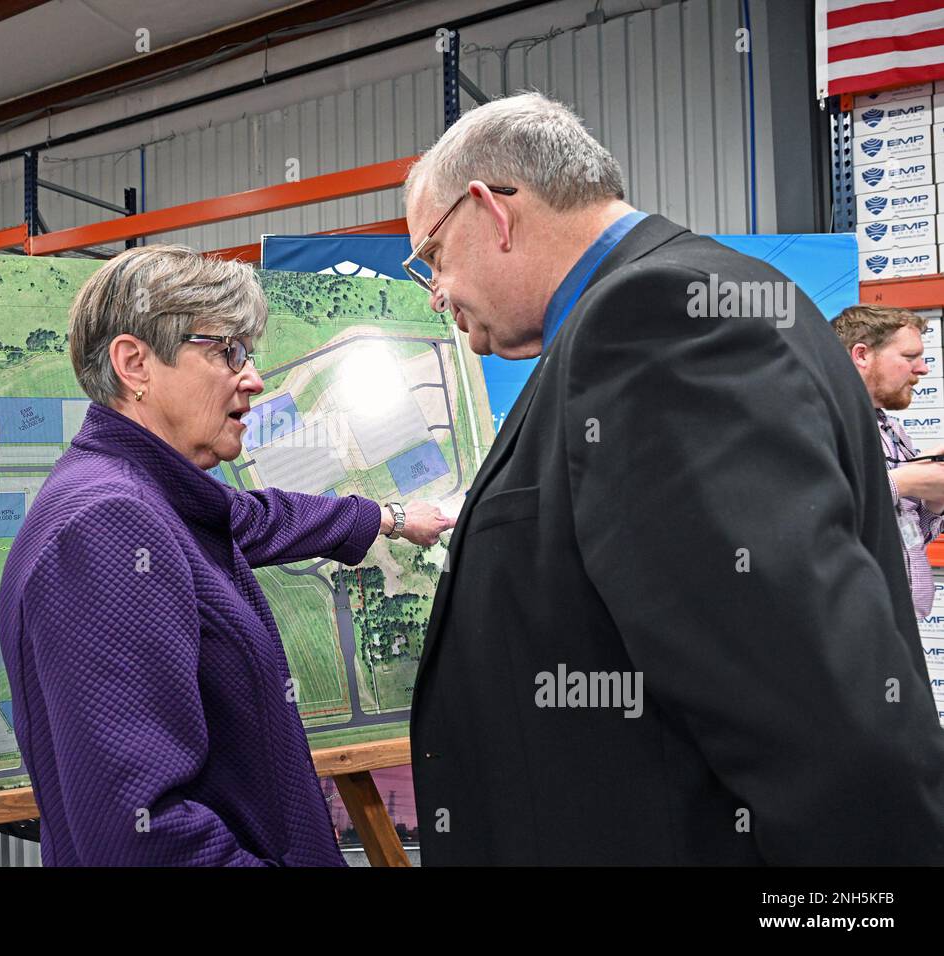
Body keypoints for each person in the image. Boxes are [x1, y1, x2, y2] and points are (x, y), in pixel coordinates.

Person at [402, 92, 944, 864]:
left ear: (490, 211)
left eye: (434, 256)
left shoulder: (656, 319)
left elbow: (815, 714)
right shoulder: (676, 302)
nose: (437, 292)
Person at [0, 244, 453, 866]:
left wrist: (388, 517)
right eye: (226, 353)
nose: (254, 378)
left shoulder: (155, 493)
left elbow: (255, 519)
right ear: (135, 364)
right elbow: (141, 834)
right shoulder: (107, 524)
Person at [834, 305, 944, 619]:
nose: (923, 369)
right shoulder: (818, 422)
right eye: (910, 357)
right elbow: (817, 511)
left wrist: (933, 496)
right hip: (852, 626)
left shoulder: (893, 431)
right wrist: (906, 481)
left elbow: (910, 535)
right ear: (862, 355)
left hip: (902, 625)